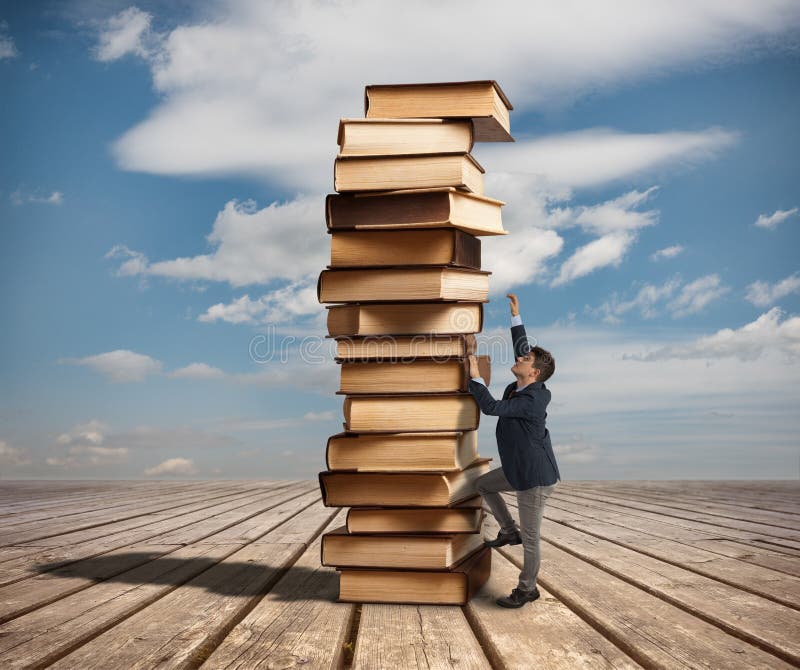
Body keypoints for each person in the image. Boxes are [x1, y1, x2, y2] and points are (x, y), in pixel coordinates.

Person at [467, 293, 561, 608]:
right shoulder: (523, 381)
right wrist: (516, 316)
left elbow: (492, 407)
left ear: (533, 373)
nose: (519, 359)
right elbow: (524, 349)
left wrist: (475, 377)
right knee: (483, 485)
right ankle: (509, 530)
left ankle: (527, 589)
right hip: (518, 468)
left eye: (524, 361)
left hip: (533, 478)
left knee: (532, 541)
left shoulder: (532, 399)